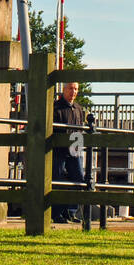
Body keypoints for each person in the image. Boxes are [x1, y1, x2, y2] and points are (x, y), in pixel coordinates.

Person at [52, 81, 85, 223]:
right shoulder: (55, 107)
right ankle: (57, 213)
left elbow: (80, 129)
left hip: (75, 148)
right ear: (64, 90)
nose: (74, 91)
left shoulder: (79, 108)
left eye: (76, 89)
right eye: (71, 88)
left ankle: (71, 212)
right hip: (59, 148)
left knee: (78, 177)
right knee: (57, 179)